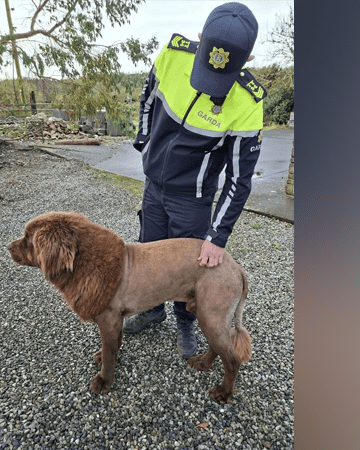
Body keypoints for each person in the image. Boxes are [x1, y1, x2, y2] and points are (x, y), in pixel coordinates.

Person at [124, 2, 266, 359]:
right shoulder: (172, 56)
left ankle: (185, 322)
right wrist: (144, 144)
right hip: (154, 188)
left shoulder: (248, 101)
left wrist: (217, 237)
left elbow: (239, 179)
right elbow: (146, 100)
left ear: (247, 61)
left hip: (193, 198)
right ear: (200, 39)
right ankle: (152, 310)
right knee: (148, 252)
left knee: (190, 268)